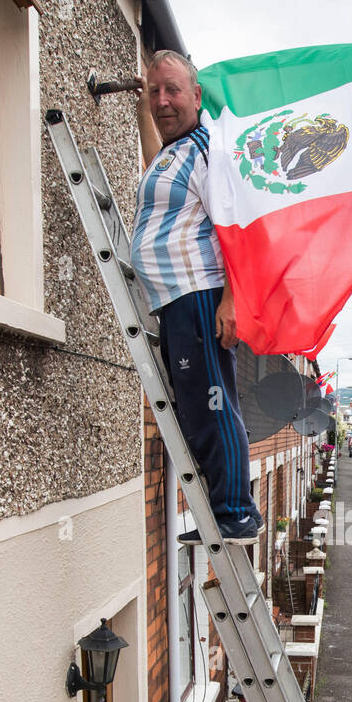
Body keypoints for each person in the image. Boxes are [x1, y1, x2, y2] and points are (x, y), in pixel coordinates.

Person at [130, 50, 264, 545]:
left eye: (173, 90)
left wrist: (230, 300)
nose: (163, 101)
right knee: (195, 404)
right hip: (176, 299)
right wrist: (139, 110)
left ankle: (238, 512)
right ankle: (226, 505)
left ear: (196, 95)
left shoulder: (208, 150)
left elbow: (235, 227)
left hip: (200, 295)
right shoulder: (174, 152)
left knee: (212, 403)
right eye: (154, 91)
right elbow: (154, 163)